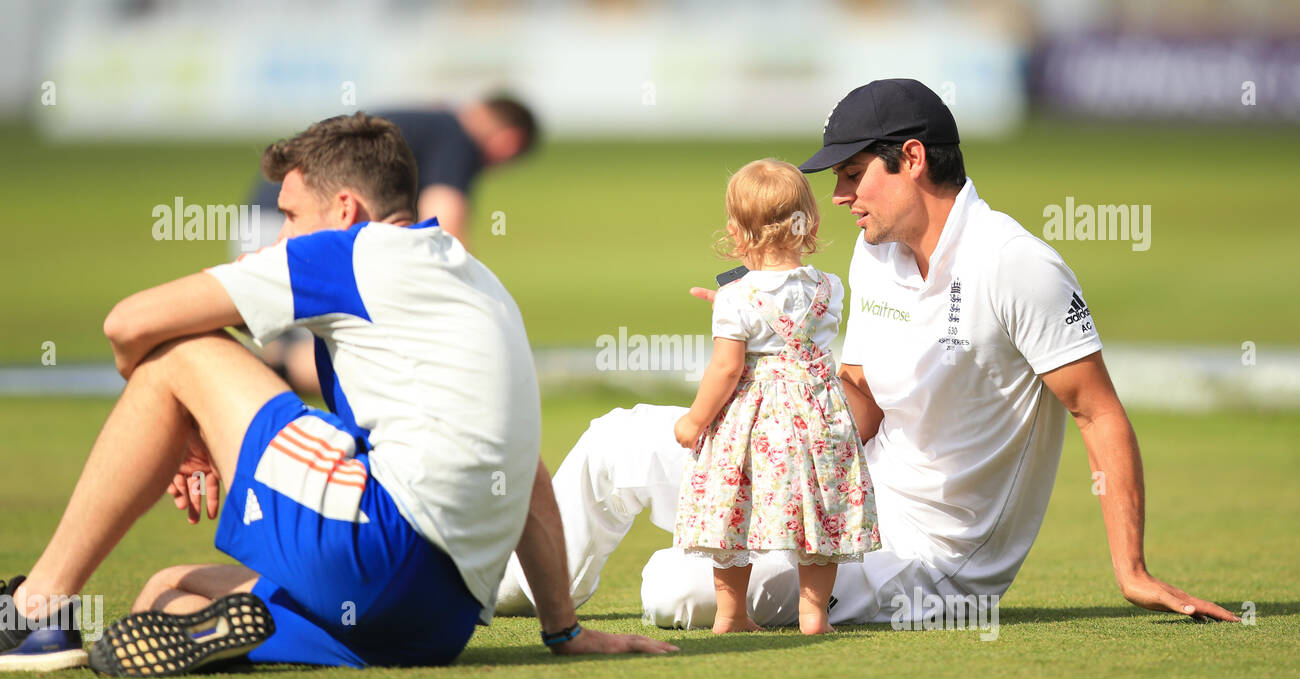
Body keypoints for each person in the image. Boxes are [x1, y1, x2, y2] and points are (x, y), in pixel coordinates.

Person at [494, 79, 1240, 629]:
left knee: (670, 587)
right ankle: (492, 593)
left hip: (930, 561)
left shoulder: (1015, 263)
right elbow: (861, 399)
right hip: (839, 478)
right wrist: (765, 397)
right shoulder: (871, 255)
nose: (841, 195)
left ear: (911, 158)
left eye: (854, 174)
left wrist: (1131, 570)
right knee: (614, 440)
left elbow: (1097, 410)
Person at [0, 112, 674, 676]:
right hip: (433, 625)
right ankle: (241, 634)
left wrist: (183, 426)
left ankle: (35, 612)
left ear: (345, 209)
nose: (282, 234)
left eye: (290, 214)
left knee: (178, 356)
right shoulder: (479, 282)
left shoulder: (348, 253)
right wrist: (563, 630)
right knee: (165, 591)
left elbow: (129, 324)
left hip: (377, 551)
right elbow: (523, 474)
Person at [671, 159, 879, 635]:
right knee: (822, 511)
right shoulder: (832, 288)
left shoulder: (735, 297)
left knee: (734, 510)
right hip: (818, 418)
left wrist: (695, 420)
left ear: (734, 229)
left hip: (754, 421)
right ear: (812, 222)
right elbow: (793, 325)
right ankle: (813, 614)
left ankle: (732, 614)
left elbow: (727, 368)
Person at [250, 95, 539, 395]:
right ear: (510, 141)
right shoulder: (456, 138)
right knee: (366, 354)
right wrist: (470, 303)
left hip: (274, 214)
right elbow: (446, 226)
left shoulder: (433, 124)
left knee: (312, 343)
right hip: (306, 222)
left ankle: (260, 377)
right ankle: (255, 381)